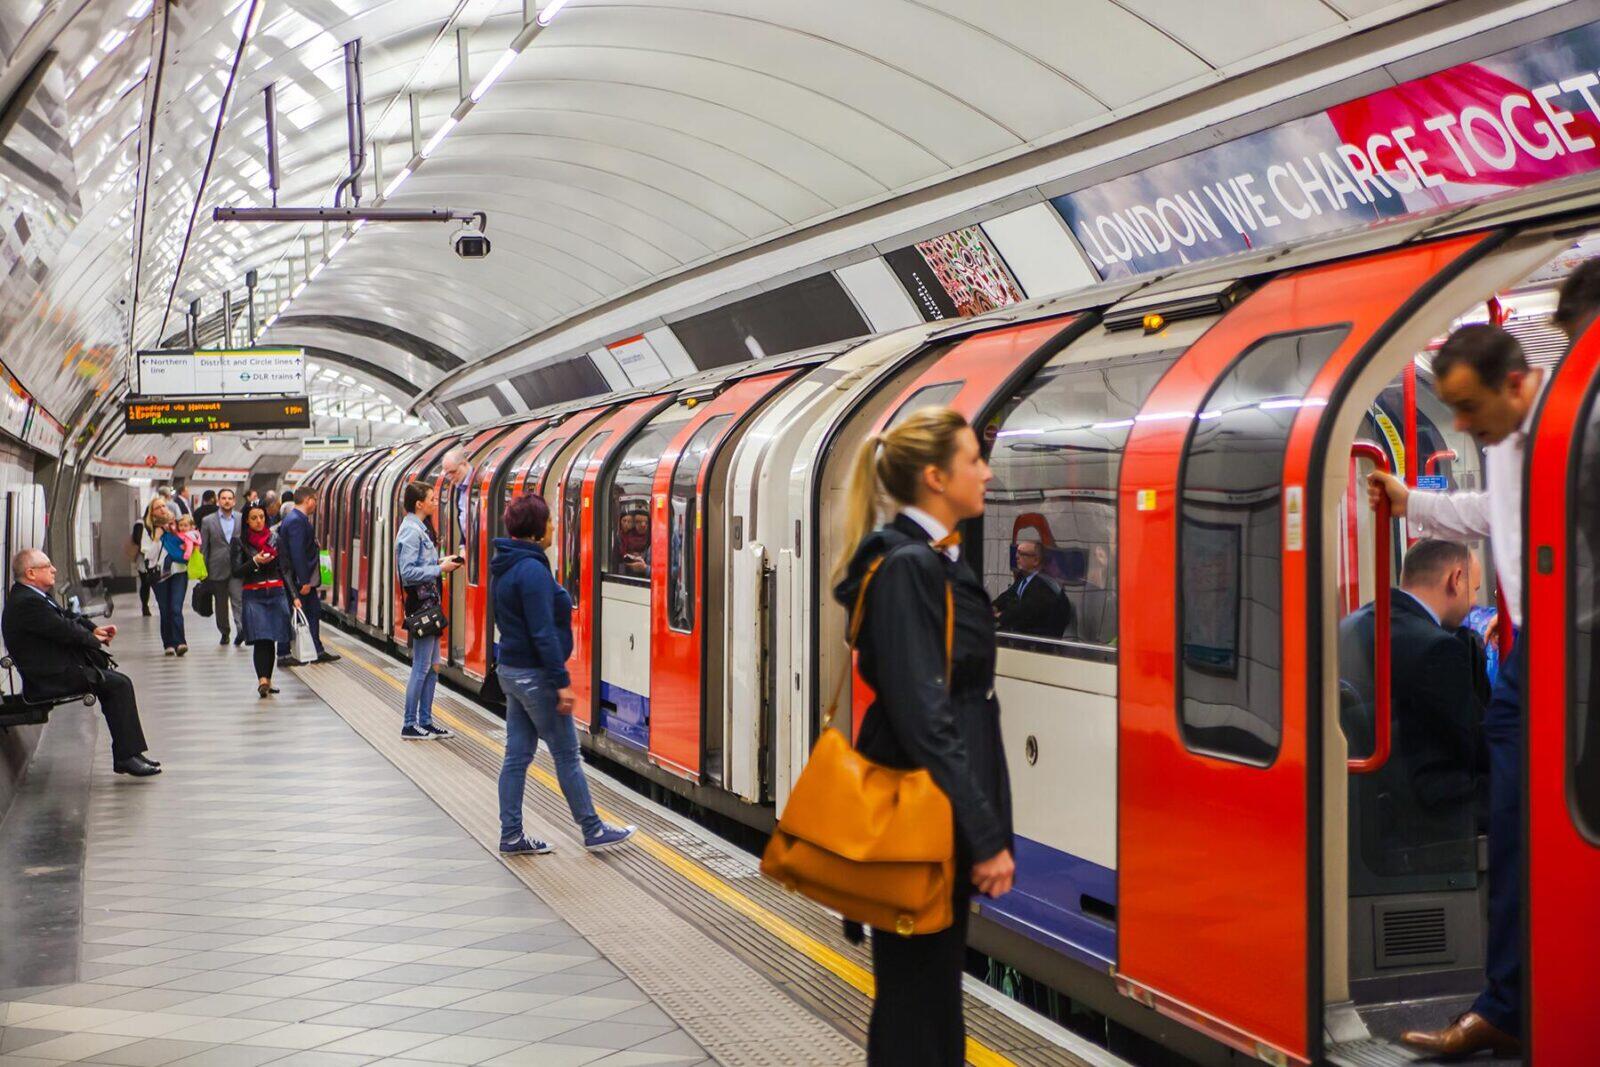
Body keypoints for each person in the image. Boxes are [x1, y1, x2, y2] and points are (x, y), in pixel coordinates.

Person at [1368, 324, 1543, 1057]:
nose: (1462, 425)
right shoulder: (1508, 442)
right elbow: (1493, 513)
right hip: (1536, 642)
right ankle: (1510, 1000)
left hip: (1566, 643)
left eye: (1468, 406)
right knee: (1514, 822)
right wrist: (1413, 503)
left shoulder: (1572, 433)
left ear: (1516, 385)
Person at [830, 406, 1014, 1067]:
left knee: (929, 1003)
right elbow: (925, 714)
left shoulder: (928, 561)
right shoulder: (911, 567)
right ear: (935, 477)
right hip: (919, 820)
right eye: (973, 460)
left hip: (932, 817)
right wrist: (984, 833)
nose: (986, 473)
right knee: (918, 1008)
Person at [492, 494, 635, 854]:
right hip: (535, 675)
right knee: (567, 754)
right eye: (550, 521)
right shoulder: (532, 571)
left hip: (511, 670)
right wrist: (561, 682)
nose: (554, 527)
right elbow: (542, 632)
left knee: (517, 756)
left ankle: (511, 835)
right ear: (537, 529)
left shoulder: (505, 564)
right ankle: (592, 828)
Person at [1339, 539, 1485, 874]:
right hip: (1425, 810)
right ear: (1456, 579)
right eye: (1475, 590)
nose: (1475, 602)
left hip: (1372, 807)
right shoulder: (1437, 649)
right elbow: (1477, 745)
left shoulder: (1351, 625)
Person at [3, 549, 160, 776]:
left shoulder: (33, 595)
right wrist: (94, 640)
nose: (54, 569)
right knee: (119, 685)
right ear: (31, 573)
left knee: (116, 683)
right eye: (47, 566)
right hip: (49, 677)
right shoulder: (27, 602)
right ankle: (127, 757)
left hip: (57, 669)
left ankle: (129, 754)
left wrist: (94, 630)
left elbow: (67, 617)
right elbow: (63, 630)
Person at [397, 480, 460, 739]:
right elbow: (408, 572)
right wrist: (439, 569)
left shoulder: (418, 529)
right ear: (419, 504)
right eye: (432, 499)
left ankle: (426, 720)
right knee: (421, 667)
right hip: (421, 606)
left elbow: (420, 564)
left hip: (430, 605)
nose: (435, 503)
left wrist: (441, 562)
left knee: (433, 667)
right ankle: (409, 723)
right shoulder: (411, 531)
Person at [233, 503, 298, 699]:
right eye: (254, 518)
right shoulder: (239, 542)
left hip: (276, 593)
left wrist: (294, 596)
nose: (259, 521)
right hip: (254, 595)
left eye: (261, 517)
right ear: (247, 521)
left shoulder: (275, 539)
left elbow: (285, 569)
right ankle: (262, 680)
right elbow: (236, 570)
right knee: (261, 638)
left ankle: (267, 680)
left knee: (271, 639)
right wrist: (254, 561)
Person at [277, 488, 337, 665]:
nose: (316, 504)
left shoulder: (295, 519)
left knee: (311, 611)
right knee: (300, 613)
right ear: (308, 500)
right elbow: (297, 553)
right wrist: (304, 581)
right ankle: (284, 653)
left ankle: (316, 650)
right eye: (315, 500)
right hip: (299, 579)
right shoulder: (296, 521)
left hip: (299, 578)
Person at [991, 539, 1072, 638]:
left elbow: (1024, 610)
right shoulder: (1022, 577)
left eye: (1022, 554)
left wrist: (1000, 616)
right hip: (1020, 634)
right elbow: (1007, 595)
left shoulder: (1045, 584)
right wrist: (993, 607)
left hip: (1039, 640)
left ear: (1035, 560)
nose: (1016, 556)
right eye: (1017, 552)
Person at [141, 500, 188, 656]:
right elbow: (149, 555)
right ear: (152, 512)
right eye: (158, 507)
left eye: (163, 506)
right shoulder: (148, 530)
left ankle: (180, 642)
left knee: (176, 608)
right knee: (165, 609)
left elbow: (188, 541)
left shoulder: (176, 525)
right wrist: (157, 538)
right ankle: (168, 643)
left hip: (178, 571)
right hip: (159, 574)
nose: (162, 509)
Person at [200, 488, 244, 646]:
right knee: (221, 603)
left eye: (230, 498)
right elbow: (204, 547)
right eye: (224, 498)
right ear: (218, 501)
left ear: (234, 501)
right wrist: (203, 570)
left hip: (237, 567)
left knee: (238, 600)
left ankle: (241, 629)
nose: (227, 501)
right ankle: (224, 632)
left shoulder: (240, 518)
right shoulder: (208, 521)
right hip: (216, 567)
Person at [440, 447, 471, 541]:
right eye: (447, 474)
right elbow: (462, 517)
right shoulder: (459, 487)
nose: (451, 477)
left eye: (453, 472)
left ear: (464, 464)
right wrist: (463, 543)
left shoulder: (478, 481)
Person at [129, 518, 152, 617]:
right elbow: (136, 539)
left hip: (151, 557)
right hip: (142, 558)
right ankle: (145, 605)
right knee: (145, 583)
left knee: (146, 583)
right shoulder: (140, 524)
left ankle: (145, 605)